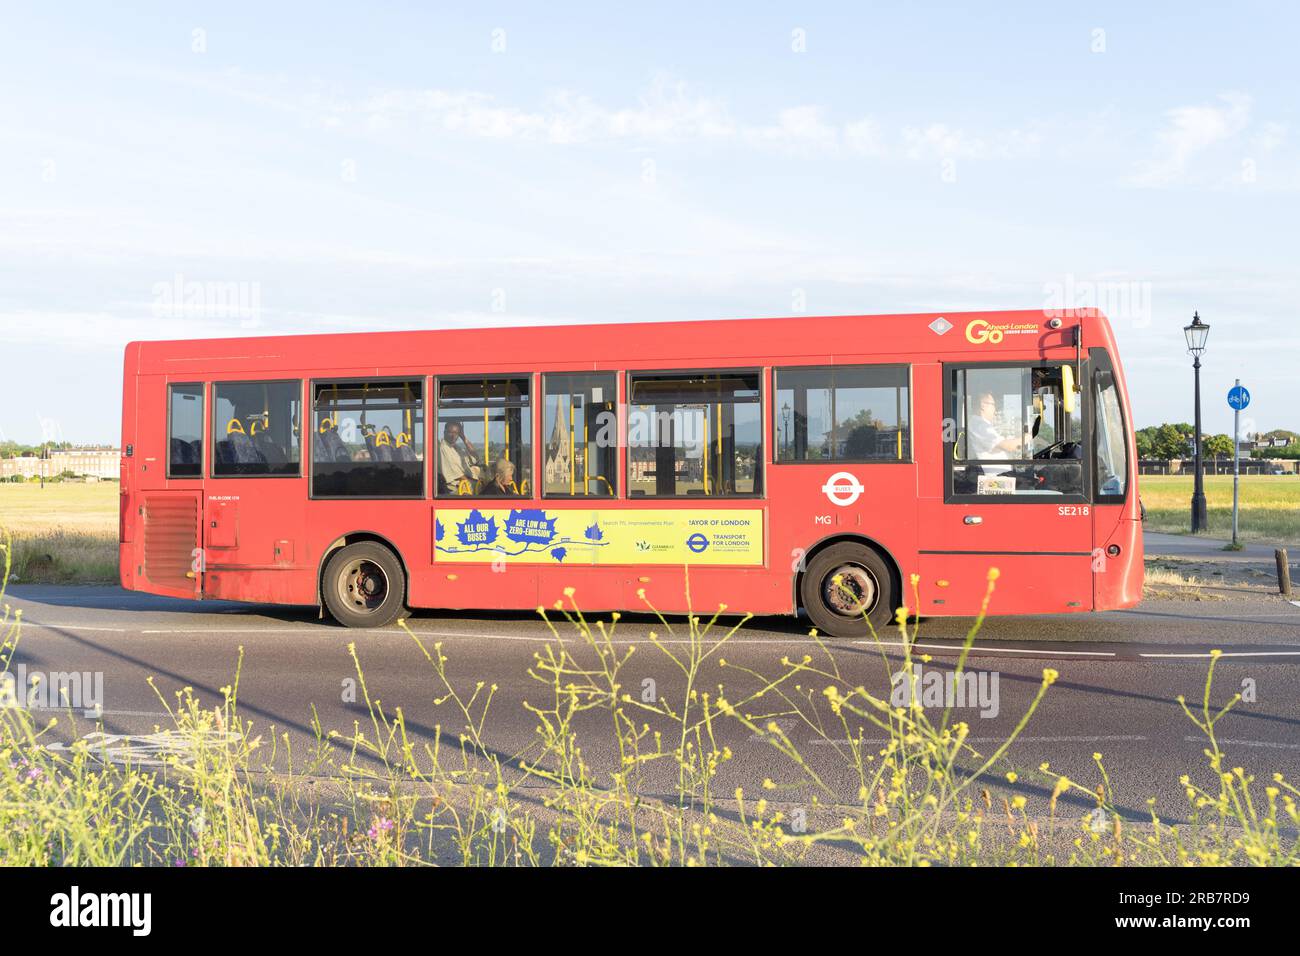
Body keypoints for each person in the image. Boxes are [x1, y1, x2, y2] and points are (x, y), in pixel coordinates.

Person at [438, 422, 481, 493]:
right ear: (444, 432)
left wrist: (464, 438)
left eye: (456, 433)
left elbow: (475, 457)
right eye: (450, 432)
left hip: (467, 482)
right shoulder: (443, 448)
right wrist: (474, 483)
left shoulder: (457, 448)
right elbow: (457, 474)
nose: (453, 436)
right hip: (456, 487)